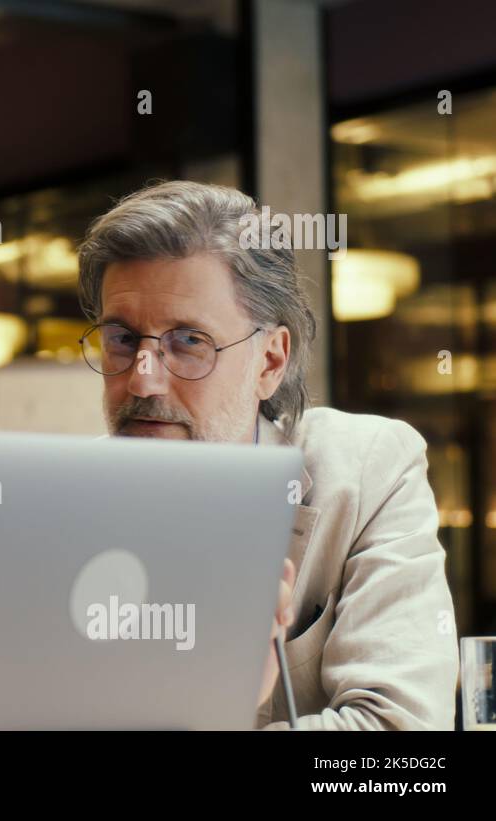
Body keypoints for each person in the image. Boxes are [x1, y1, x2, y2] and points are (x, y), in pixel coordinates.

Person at [76, 179, 459, 729]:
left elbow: (399, 746)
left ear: (271, 361)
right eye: (121, 338)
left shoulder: (366, 471)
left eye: (188, 341)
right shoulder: (61, 505)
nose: (143, 381)